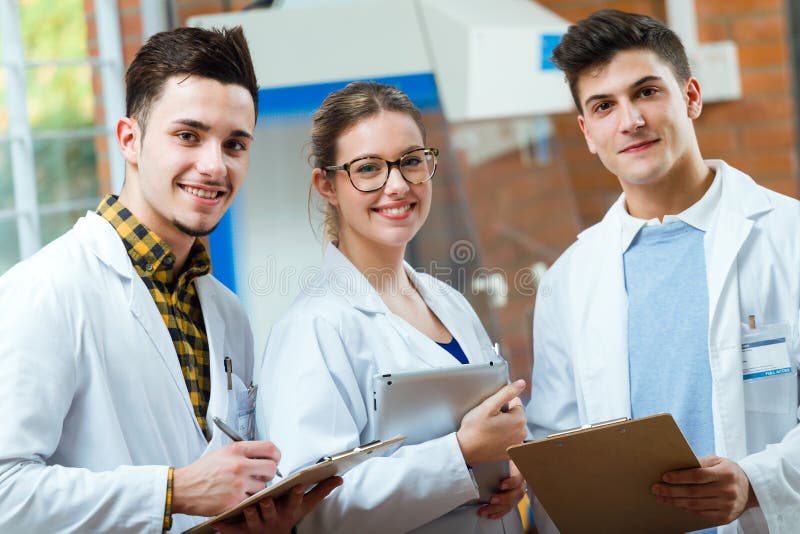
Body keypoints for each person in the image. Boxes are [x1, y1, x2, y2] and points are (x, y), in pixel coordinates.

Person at [0, 26, 339, 533]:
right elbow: (5, 491)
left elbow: (214, 491)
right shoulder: (45, 290)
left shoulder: (227, 312)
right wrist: (172, 491)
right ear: (129, 140)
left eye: (234, 144)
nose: (214, 166)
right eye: (188, 136)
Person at [526, 8, 800, 534]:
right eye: (604, 106)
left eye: (647, 92)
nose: (630, 121)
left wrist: (756, 483)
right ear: (587, 132)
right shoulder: (569, 280)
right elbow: (556, 444)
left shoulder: (788, 238)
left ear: (690, 96)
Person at [257, 81, 528, 533]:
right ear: (326, 185)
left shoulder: (450, 303)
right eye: (368, 168)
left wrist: (513, 467)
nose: (398, 185)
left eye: (411, 161)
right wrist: (460, 454)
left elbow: (498, 434)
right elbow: (316, 508)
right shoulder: (313, 326)